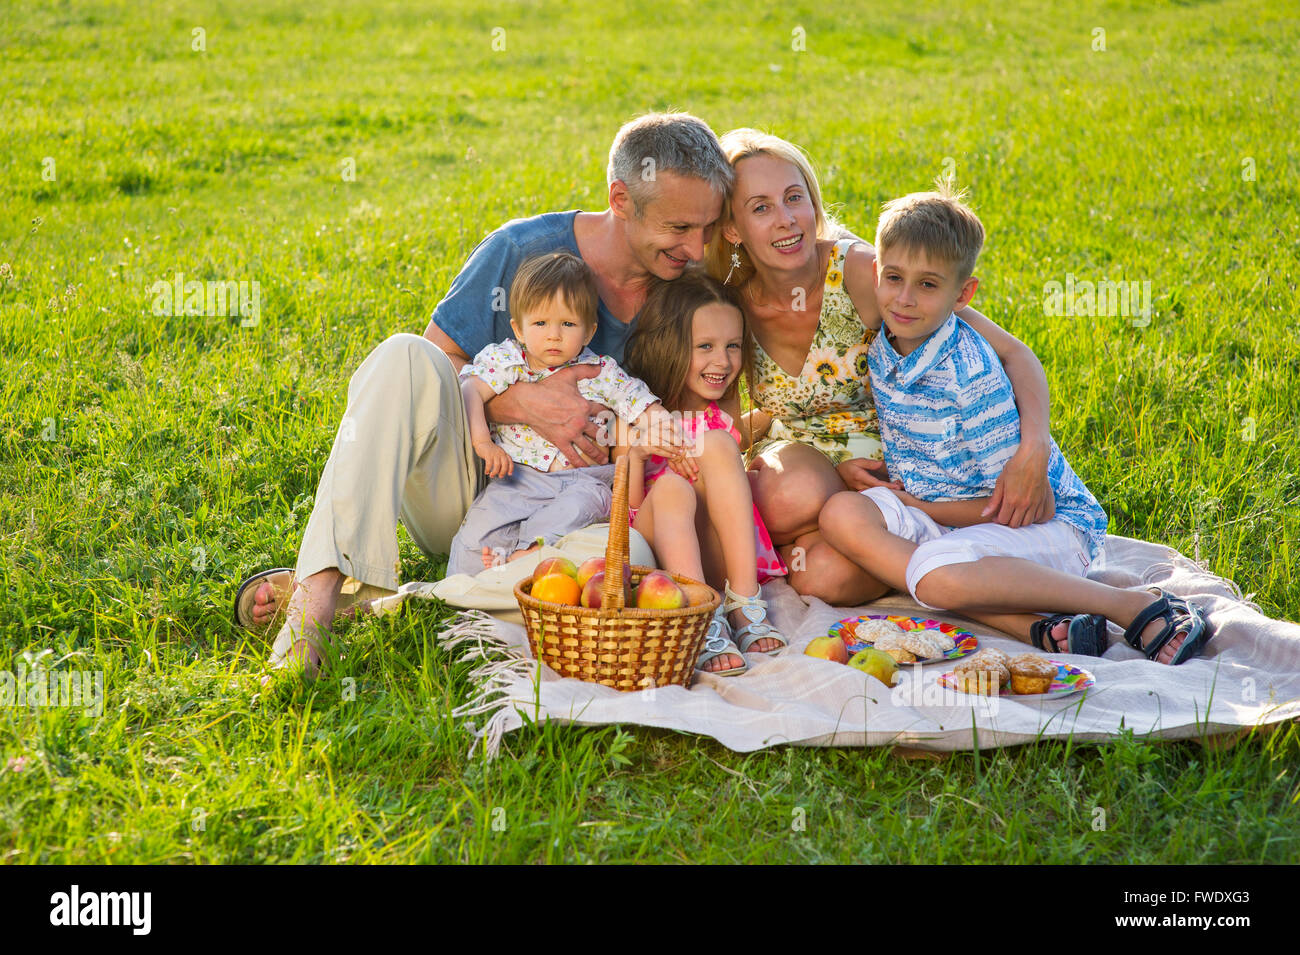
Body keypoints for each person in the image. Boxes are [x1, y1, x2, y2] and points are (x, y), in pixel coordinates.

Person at [235, 112, 734, 677]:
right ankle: (317, 599)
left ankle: (393, 603)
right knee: (403, 355)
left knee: (631, 565)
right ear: (621, 199)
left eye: (708, 228)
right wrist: (518, 401)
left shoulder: (691, 287)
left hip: (579, 510)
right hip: (477, 482)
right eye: (679, 229)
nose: (696, 248)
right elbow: (435, 379)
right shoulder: (518, 250)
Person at [817, 186, 1211, 664]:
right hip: (952, 522)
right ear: (876, 274)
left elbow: (1027, 506)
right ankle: (1041, 626)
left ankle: (1130, 604)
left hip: (1045, 528)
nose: (904, 298)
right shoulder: (887, 344)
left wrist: (916, 505)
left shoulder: (969, 375)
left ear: (963, 294)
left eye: (928, 285)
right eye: (895, 277)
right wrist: (905, 494)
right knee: (841, 513)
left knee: (932, 571)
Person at [704, 129, 1058, 606]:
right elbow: (729, 421)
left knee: (821, 577)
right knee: (787, 492)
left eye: (795, 198)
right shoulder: (730, 304)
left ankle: (862, 543)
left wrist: (1032, 451)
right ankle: (850, 544)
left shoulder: (864, 275)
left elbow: (1013, 353)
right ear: (732, 229)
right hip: (800, 462)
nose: (787, 220)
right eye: (760, 207)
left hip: (891, 466)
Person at [449, 252, 680, 576]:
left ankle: (529, 556)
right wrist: (484, 442)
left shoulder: (599, 371)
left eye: (568, 324)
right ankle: (461, 592)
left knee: (583, 506)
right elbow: (470, 390)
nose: (553, 335)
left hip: (584, 481)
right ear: (518, 327)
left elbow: (638, 401)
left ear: (588, 332)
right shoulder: (508, 361)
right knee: (479, 529)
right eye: (540, 323)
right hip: (517, 478)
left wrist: (661, 426)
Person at [618, 272, 788, 676]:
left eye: (732, 346)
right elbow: (627, 512)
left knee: (714, 443)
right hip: (656, 557)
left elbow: (740, 440)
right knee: (674, 486)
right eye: (705, 347)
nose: (723, 361)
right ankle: (699, 614)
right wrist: (640, 451)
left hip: (717, 559)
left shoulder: (718, 415)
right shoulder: (637, 412)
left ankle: (744, 602)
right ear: (669, 346)